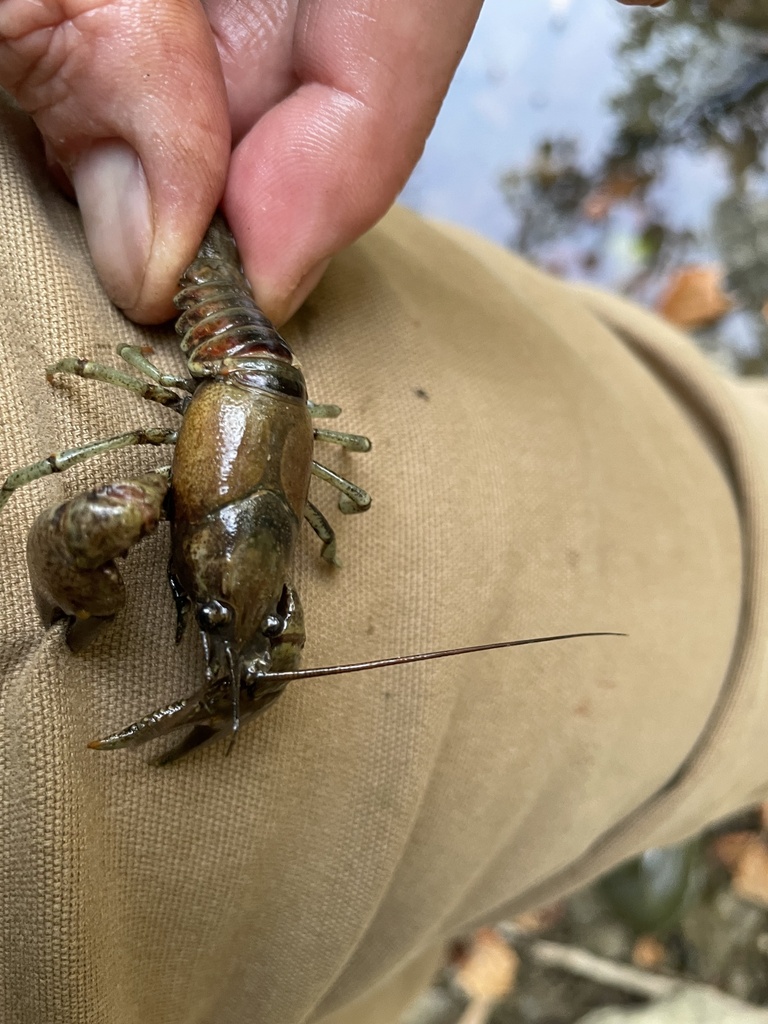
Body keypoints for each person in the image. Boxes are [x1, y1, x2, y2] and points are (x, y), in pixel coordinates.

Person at [1, 2, 767, 1023]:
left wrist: (232, 595)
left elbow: (290, 527)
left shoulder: (267, 546)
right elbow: (123, 504)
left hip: (248, 373)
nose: (264, 621)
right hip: (221, 330)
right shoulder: (168, 450)